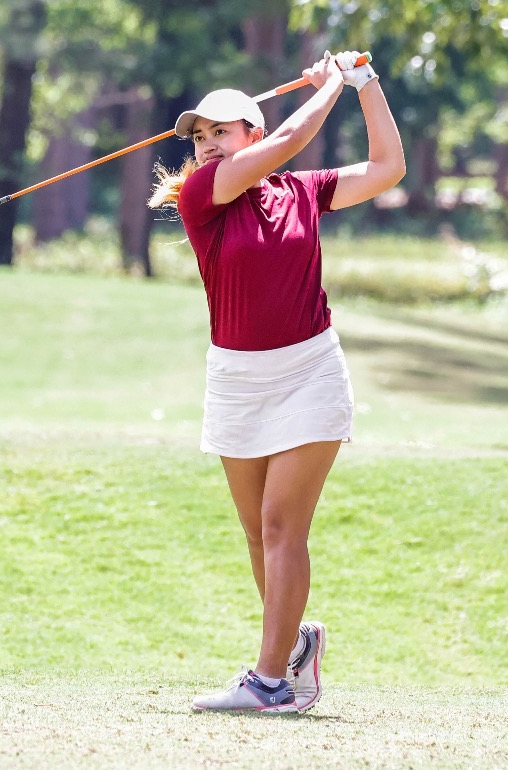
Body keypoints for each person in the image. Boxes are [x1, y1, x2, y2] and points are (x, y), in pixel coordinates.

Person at [149, 51, 405, 713]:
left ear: (250, 136)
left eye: (221, 133)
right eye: (199, 137)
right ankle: (295, 649)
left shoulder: (302, 192)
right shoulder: (202, 196)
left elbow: (388, 169)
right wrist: (329, 88)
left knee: (282, 524)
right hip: (236, 380)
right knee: (258, 535)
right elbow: (293, 136)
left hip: (310, 370)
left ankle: (269, 684)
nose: (206, 146)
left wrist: (364, 84)